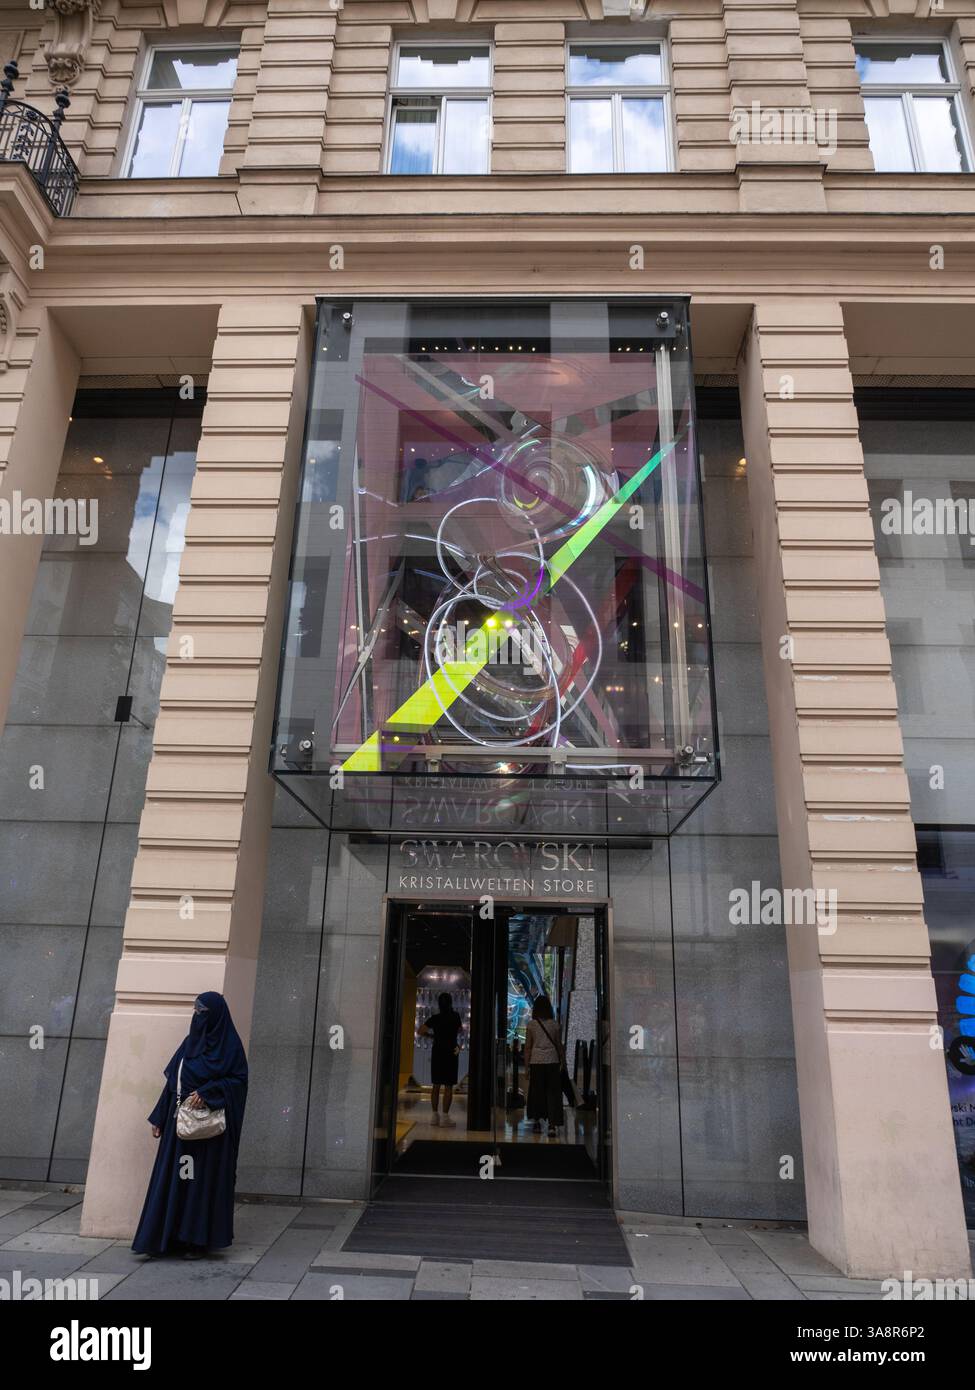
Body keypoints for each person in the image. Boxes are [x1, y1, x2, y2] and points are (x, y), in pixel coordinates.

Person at [132, 991, 248, 1259]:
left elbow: (238, 1083)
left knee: (199, 1182)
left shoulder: (229, 1048)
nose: (197, 1017)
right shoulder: (190, 1044)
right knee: (177, 1179)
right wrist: (160, 1117)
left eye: (203, 1012)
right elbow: (174, 1082)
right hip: (179, 1127)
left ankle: (195, 1241)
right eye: (196, 1011)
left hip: (208, 1133)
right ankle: (167, 1238)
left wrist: (210, 1091)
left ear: (216, 1016)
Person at [419, 991, 463, 1128]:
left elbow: (420, 1031)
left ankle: (434, 1116)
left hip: (437, 1051)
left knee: (436, 1085)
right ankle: (445, 1117)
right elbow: (460, 1030)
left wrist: (432, 1036)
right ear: (451, 1003)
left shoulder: (435, 1018)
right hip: (451, 1051)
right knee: (448, 1086)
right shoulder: (456, 1016)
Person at [525, 995, 565, 1138]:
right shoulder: (555, 1024)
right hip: (552, 1061)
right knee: (553, 1093)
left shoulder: (531, 1025)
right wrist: (563, 1060)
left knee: (537, 1093)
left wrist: (526, 1066)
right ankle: (552, 1126)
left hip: (536, 1062)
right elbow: (559, 1045)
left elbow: (528, 1047)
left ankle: (537, 1122)